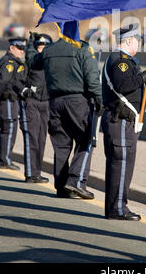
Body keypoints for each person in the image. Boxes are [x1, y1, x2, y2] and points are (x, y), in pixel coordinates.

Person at [26, 32, 103, 199]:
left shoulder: (49, 50)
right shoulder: (82, 49)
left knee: (61, 146)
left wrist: (29, 45)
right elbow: (92, 79)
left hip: (54, 103)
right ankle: (75, 182)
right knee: (86, 141)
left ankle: (61, 187)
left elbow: (32, 62)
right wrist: (99, 100)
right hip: (77, 102)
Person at [101, 23, 146, 220]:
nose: (138, 44)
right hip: (120, 120)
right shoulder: (120, 60)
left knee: (119, 165)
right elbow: (123, 85)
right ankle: (118, 209)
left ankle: (115, 207)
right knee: (121, 165)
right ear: (129, 41)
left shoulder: (124, 59)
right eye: (137, 40)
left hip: (123, 120)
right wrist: (142, 79)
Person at [20, 33, 52, 183]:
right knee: (31, 137)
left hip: (46, 104)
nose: (42, 51)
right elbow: (17, 80)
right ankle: (30, 174)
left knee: (41, 139)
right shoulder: (30, 63)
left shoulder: (51, 65)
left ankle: (37, 173)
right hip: (31, 103)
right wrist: (25, 90)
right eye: (39, 47)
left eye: (45, 48)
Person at [0, 37, 27, 170]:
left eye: (23, 49)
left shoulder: (14, 61)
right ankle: (4, 160)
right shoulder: (9, 62)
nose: (21, 51)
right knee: (8, 129)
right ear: (11, 48)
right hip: (7, 100)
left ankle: (5, 158)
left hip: (11, 101)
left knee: (9, 130)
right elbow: (3, 81)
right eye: (19, 48)